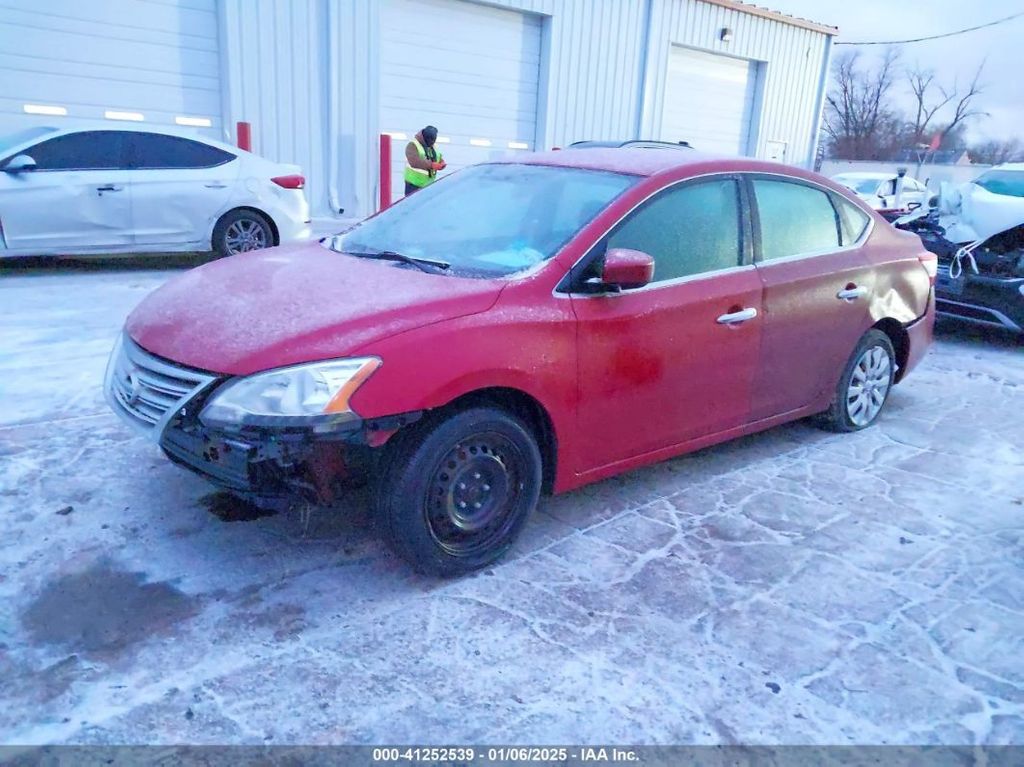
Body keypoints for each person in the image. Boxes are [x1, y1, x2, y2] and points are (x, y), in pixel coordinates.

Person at [404, 125, 446, 195]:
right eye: (431, 140)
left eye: (434, 140)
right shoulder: (412, 145)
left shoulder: (432, 146)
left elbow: (437, 156)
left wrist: (441, 162)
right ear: (425, 137)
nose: (432, 142)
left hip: (428, 186)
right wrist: (432, 165)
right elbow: (414, 161)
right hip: (413, 185)